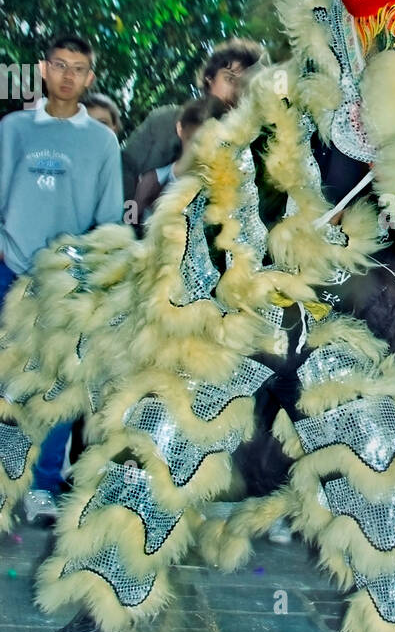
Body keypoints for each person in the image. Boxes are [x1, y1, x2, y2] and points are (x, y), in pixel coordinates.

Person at [0, 35, 122, 522]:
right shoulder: (12, 129)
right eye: (59, 65)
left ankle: (43, 486)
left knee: (59, 384)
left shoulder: (102, 141)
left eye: (79, 69)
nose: (68, 76)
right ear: (43, 71)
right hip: (10, 270)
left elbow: (111, 219)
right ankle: (7, 483)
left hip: (69, 279)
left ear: (90, 79)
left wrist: (90, 270)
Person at [121, 37, 263, 200]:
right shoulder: (165, 120)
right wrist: (129, 221)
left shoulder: (250, 147)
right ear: (210, 79)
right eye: (229, 79)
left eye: (244, 85)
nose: (235, 91)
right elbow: (125, 168)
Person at [133, 96, 227, 225]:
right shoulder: (152, 180)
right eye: (194, 142)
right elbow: (128, 221)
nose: (198, 152)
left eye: (211, 143)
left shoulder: (222, 191)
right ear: (180, 129)